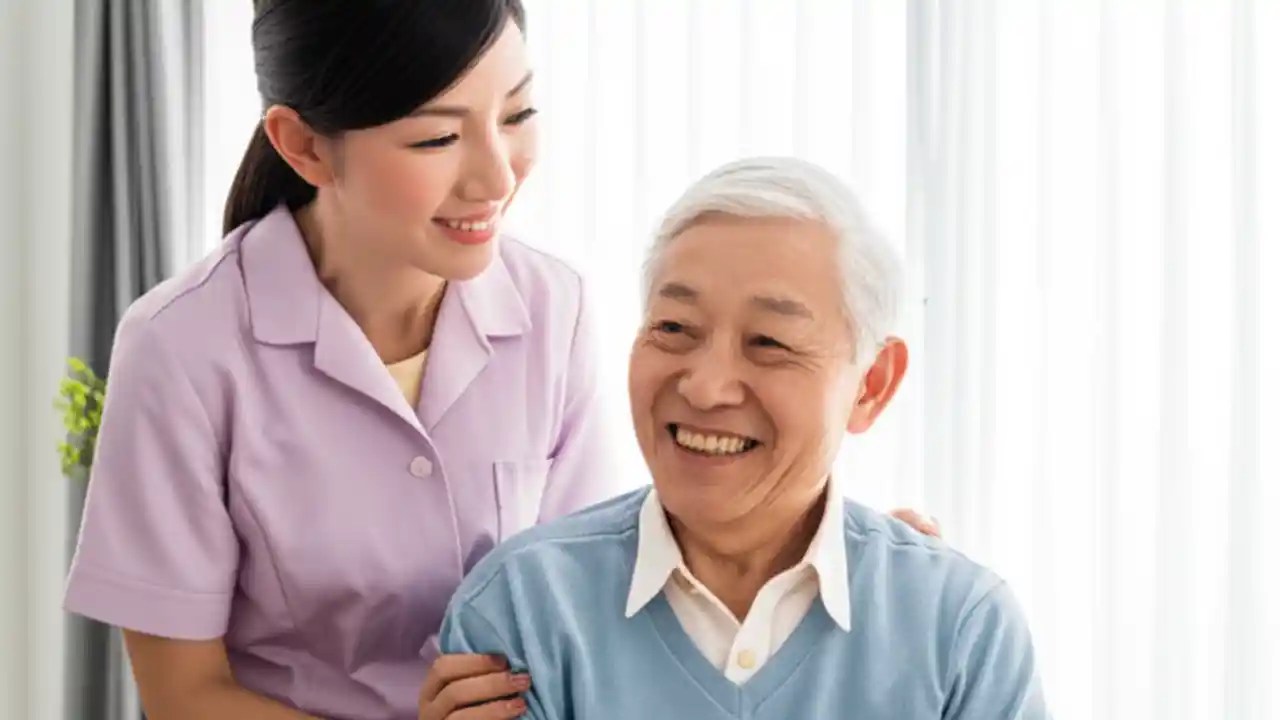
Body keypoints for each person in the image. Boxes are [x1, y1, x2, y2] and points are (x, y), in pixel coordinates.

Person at [62, 4, 941, 720]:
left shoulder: (551, 309)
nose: (497, 176)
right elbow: (183, 694)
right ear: (304, 146)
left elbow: (602, 574)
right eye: (437, 140)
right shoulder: (183, 346)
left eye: (516, 115)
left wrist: (827, 548)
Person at [439, 157, 1051, 719]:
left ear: (871, 385)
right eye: (674, 327)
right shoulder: (521, 612)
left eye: (769, 343)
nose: (705, 388)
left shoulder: (961, 628)